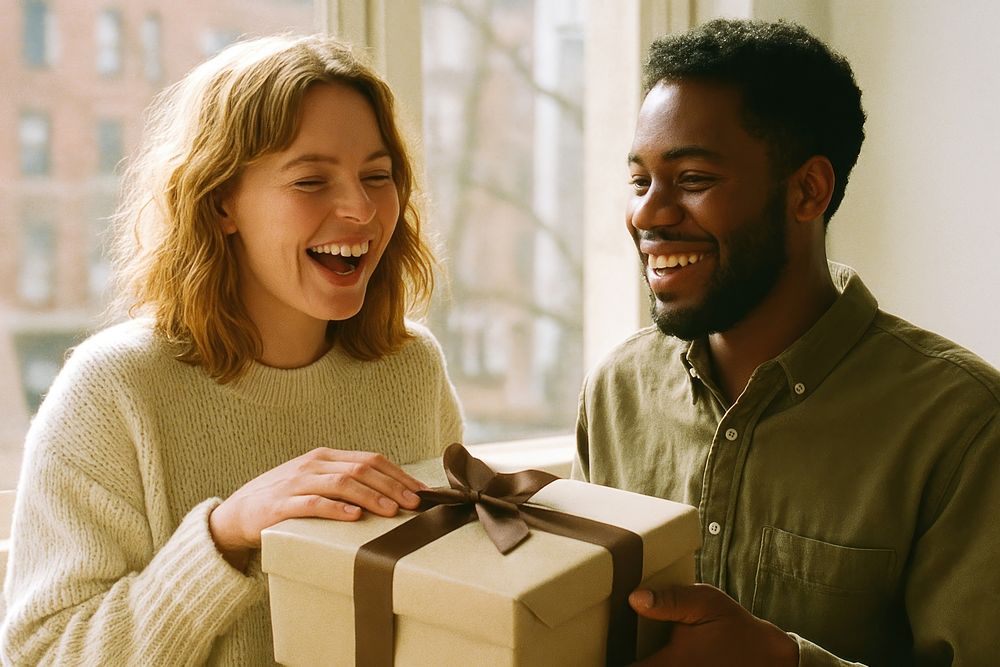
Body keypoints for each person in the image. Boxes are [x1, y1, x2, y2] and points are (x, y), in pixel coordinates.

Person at [0, 34, 463, 665]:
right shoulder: (112, 390)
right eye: (311, 180)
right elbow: (42, 656)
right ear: (222, 203)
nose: (361, 209)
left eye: (377, 177)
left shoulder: (412, 368)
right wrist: (225, 536)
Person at [573, 18, 1000, 666]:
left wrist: (784, 661)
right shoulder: (615, 392)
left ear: (808, 190)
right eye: (640, 182)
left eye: (692, 179)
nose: (648, 214)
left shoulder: (963, 426)